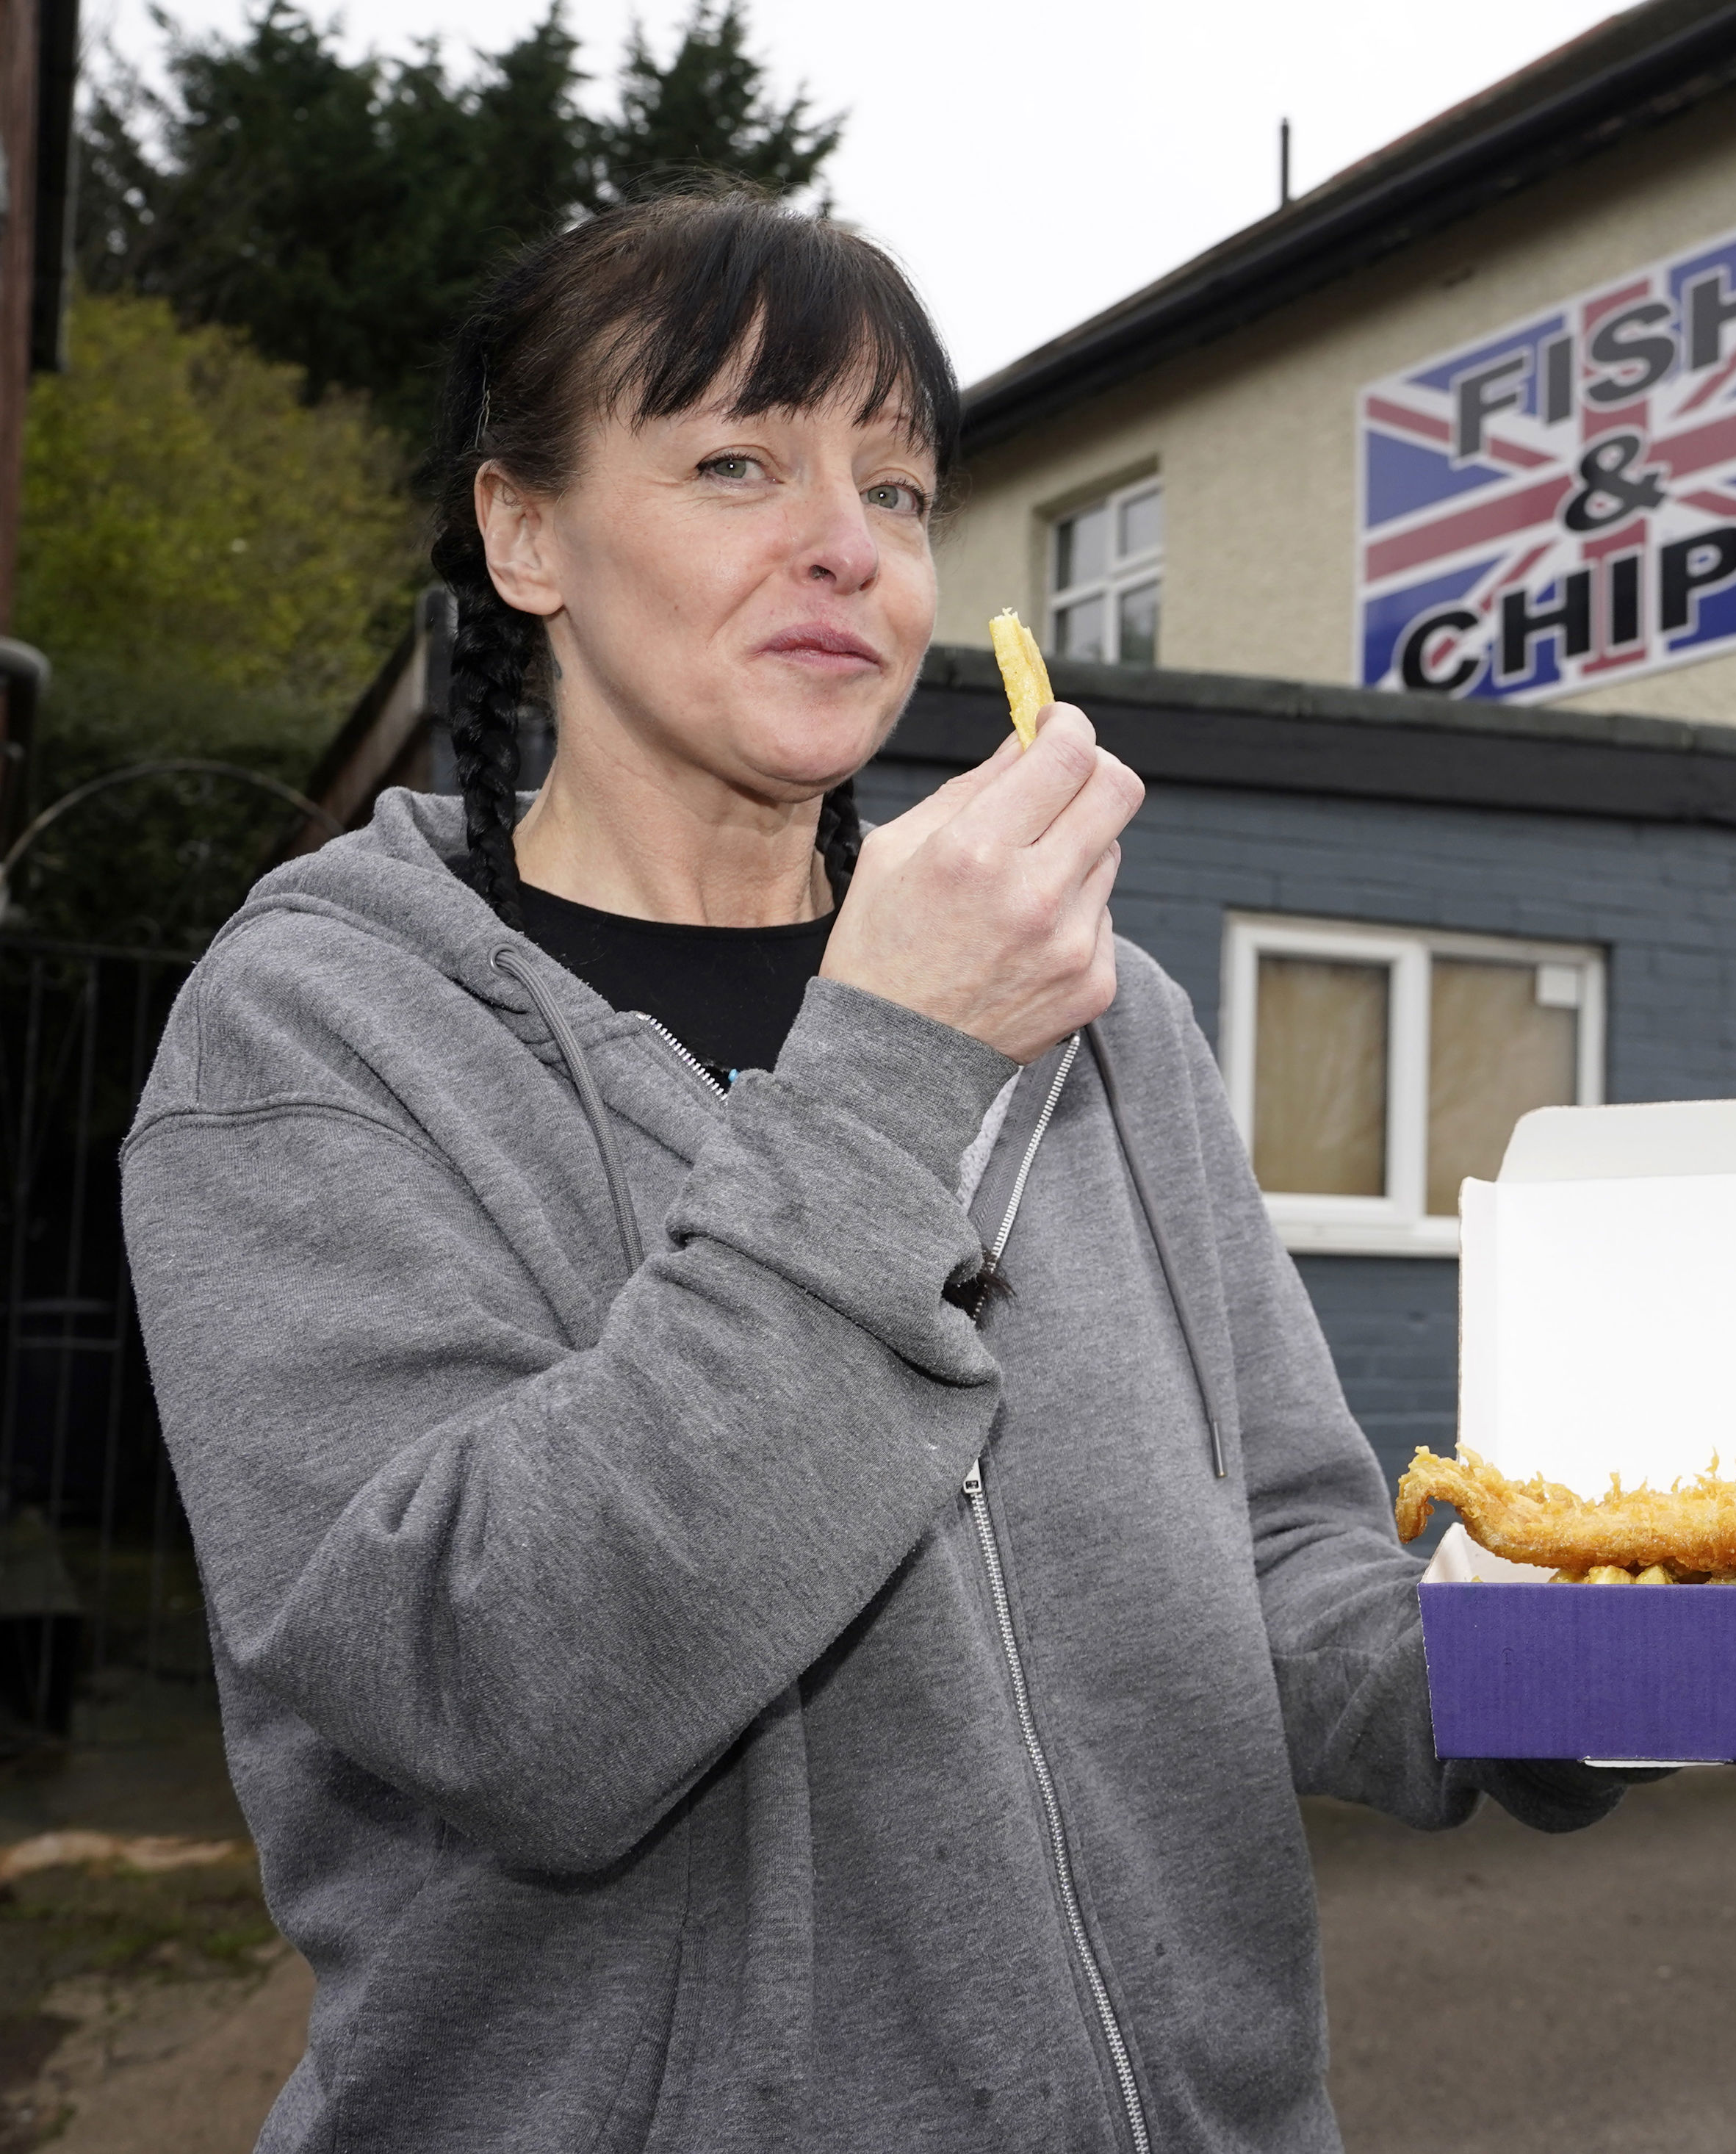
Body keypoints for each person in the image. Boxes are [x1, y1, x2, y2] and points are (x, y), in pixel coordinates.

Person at [119, 187, 1640, 2153]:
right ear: (523, 533)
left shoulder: (1108, 1020)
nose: (850, 544)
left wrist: (1592, 1663)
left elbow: (1280, 1563)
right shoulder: (317, 1039)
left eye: (900, 489)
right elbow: (501, 1693)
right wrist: (898, 1065)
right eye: (737, 464)